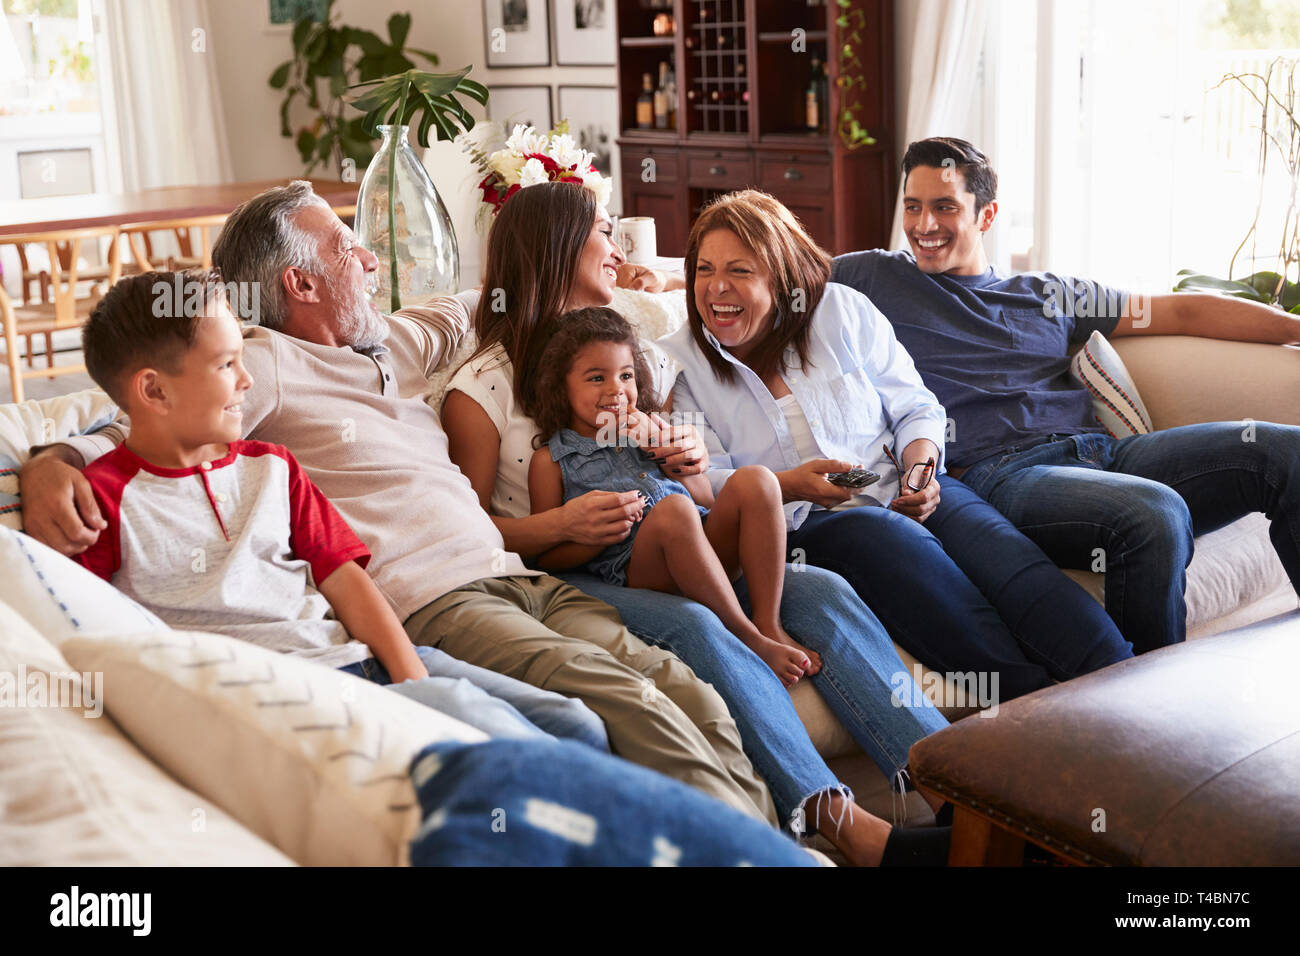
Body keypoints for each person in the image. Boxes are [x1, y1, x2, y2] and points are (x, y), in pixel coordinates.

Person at [18, 181, 778, 828]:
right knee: (626, 699)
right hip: (436, 601)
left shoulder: (390, 345)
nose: (374, 260)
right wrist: (54, 462)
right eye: (351, 251)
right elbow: (142, 417)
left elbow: (473, 303)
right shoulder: (267, 361)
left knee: (683, 687)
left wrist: (616, 274)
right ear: (301, 286)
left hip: (517, 577)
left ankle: (780, 845)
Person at [441, 180, 952, 866]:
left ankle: (958, 796)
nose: (617, 246)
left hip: (679, 531)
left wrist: (687, 467)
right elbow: (465, 532)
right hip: (577, 568)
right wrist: (560, 522)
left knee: (823, 590)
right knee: (696, 625)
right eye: (602, 231)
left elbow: (694, 485)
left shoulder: (638, 354)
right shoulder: (482, 388)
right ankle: (842, 825)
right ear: (559, 249)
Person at [71, 268, 600, 747]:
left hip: (360, 656)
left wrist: (410, 677)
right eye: (227, 364)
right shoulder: (102, 501)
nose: (247, 378)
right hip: (293, 695)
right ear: (154, 391)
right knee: (517, 747)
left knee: (575, 723)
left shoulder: (273, 467)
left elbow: (347, 582)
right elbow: (89, 635)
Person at [660, 189, 1134, 698]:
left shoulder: (839, 311)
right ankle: (1033, 710)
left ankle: (1127, 688)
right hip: (807, 525)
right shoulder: (679, 366)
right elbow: (703, 485)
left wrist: (922, 469)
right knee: (899, 550)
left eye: (739, 270)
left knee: (1015, 568)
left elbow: (916, 406)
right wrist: (788, 486)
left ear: (781, 274)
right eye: (703, 270)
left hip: (903, 486)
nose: (716, 288)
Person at [831, 136, 1300, 648]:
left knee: (1284, 452)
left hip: (1106, 456)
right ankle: (1149, 713)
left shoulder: (1049, 293)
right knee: (1154, 513)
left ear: (986, 216)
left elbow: (1183, 310)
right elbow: (776, 275)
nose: (923, 226)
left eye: (944, 207)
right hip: (1004, 476)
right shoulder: (872, 276)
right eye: (913, 207)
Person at [526, 306, 820, 686]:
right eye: (597, 378)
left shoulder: (653, 427)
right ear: (560, 386)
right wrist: (596, 538)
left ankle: (768, 623)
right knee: (673, 511)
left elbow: (705, 500)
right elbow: (548, 559)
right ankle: (748, 638)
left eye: (626, 375)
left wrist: (665, 452)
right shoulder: (550, 460)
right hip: (642, 569)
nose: (616, 389)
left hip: (702, 547)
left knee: (758, 481)